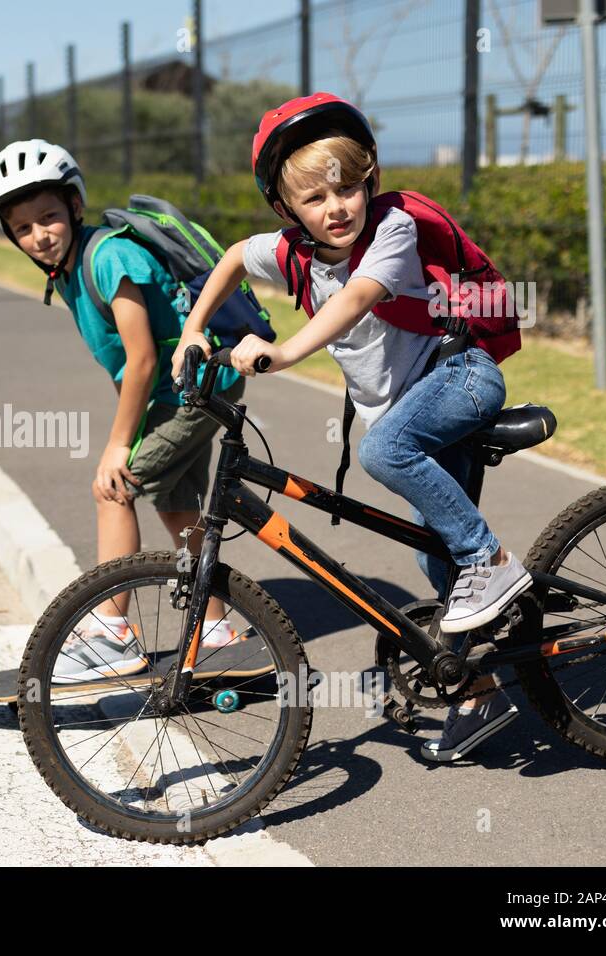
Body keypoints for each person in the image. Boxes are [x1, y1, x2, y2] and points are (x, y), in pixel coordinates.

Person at [171, 94, 527, 761]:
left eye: (347, 188)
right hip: (417, 409)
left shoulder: (392, 229)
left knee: (385, 452)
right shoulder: (292, 253)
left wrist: (284, 352)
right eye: (314, 198)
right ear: (286, 209)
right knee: (434, 553)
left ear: (370, 180)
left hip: (461, 377)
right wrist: (193, 331)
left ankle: (494, 561)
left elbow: (360, 296)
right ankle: (479, 694)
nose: (336, 207)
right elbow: (232, 257)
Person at [0, 139, 247, 683]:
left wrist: (119, 443)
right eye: (23, 228)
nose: (39, 235)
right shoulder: (69, 268)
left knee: (113, 488)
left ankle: (111, 634)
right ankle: (218, 630)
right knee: (178, 505)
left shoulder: (106, 257)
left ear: (75, 205)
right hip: (185, 389)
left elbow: (142, 356)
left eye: (49, 217)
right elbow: (129, 367)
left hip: (194, 387)